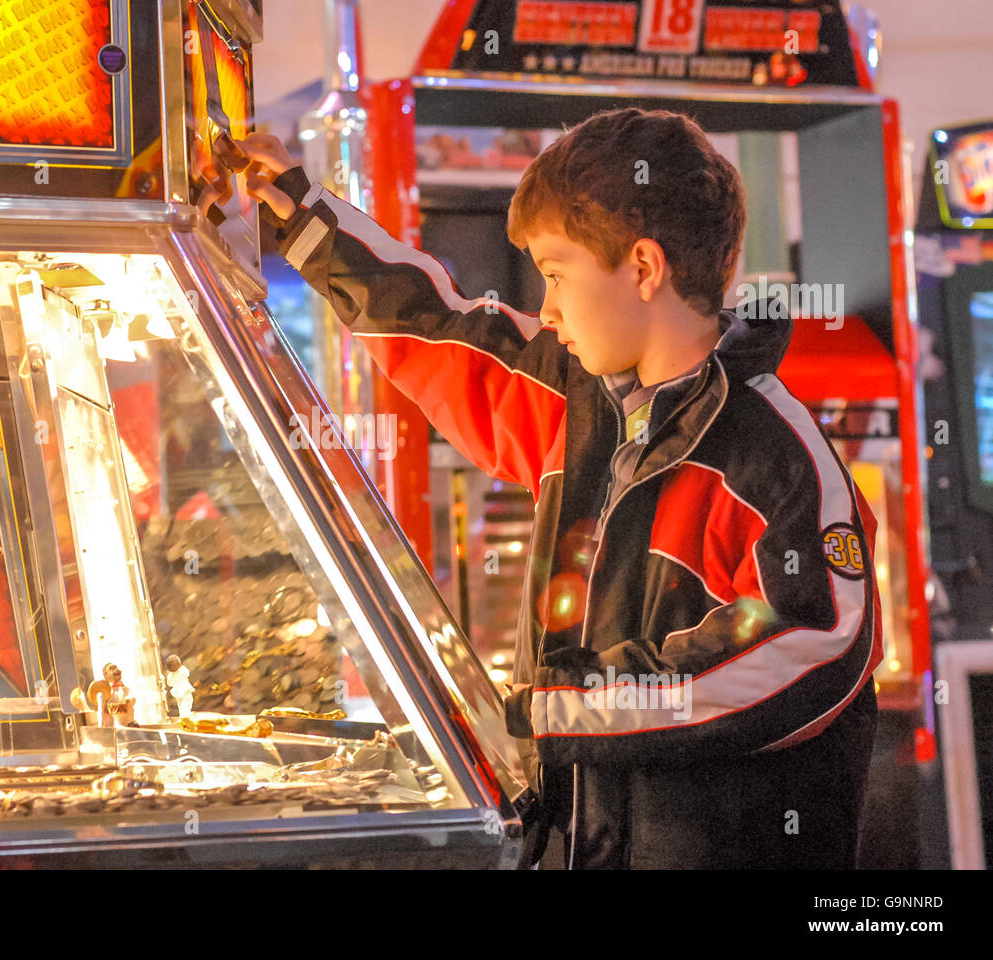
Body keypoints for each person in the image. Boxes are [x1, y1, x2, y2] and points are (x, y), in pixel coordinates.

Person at [232, 108, 881, 870]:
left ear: (643, 268)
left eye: (555, 273)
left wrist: (581, 703)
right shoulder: (573, 396)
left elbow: (816, 644)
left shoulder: (774, 452)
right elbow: (438, 325)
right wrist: (306, 219)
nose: (545, 309)